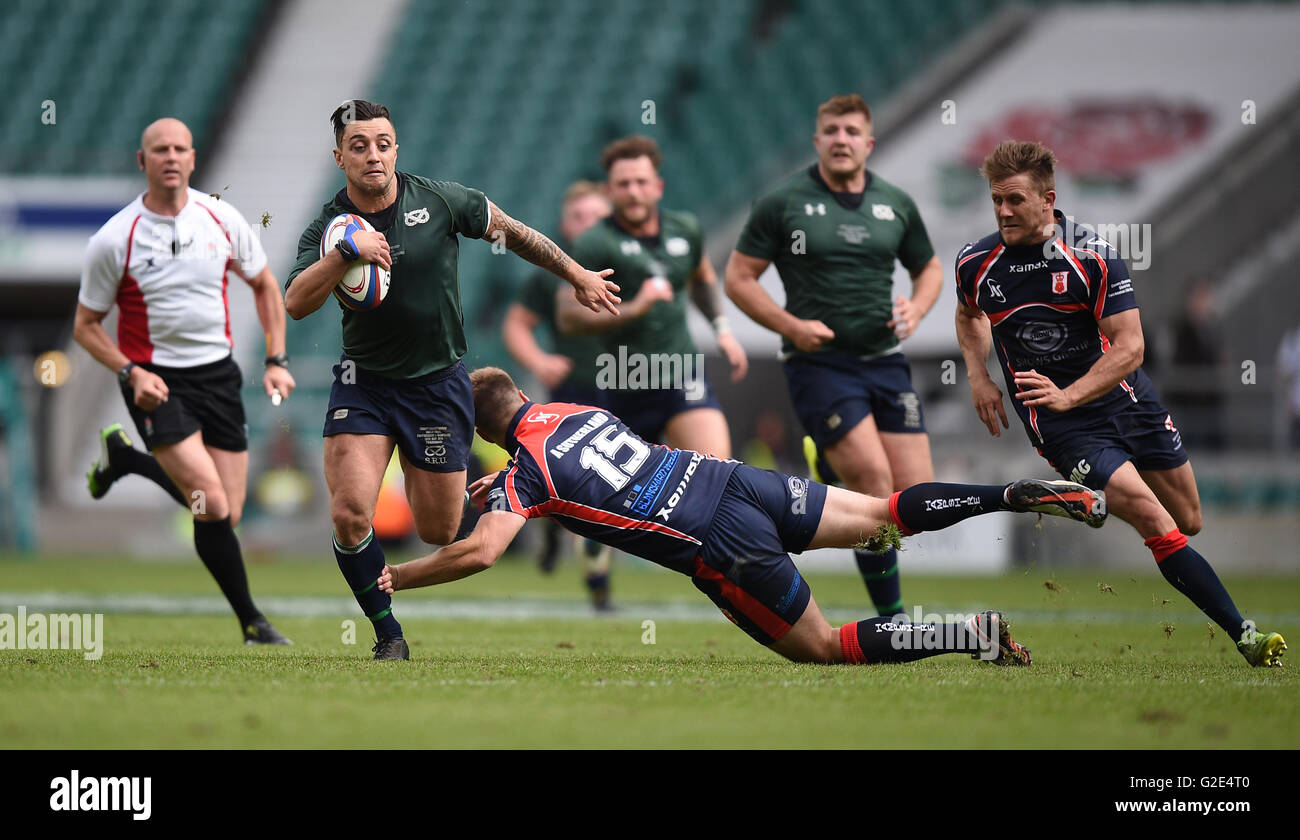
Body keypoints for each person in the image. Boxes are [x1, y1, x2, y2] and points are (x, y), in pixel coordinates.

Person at [376, 367, 1110, 667]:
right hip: (732, 482)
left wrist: (396, 579)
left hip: (718, 544)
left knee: (820, 647)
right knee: (887, 513)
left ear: (482, 427)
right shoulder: (574, 411)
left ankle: (970, 635)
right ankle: (1007, 493)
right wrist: (508, 481)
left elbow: (478, 555)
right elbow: (584, 470)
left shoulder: (525, 474)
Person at [283, 100, 619, 660]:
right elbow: (295, 302)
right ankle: (389, 634)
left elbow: (513, 233)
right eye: (360, 145)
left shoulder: (439, 200)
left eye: (383, 143)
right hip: (363, 384)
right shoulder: (329, 228)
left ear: (397, 149)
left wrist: (578, 273)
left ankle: (502, 490)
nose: (373, 155)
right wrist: (347, 253)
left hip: (437, 388)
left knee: (440, 530)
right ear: (339, 156)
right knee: (349, 513)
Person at [954, 139, 1285, 668]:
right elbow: (969, 315)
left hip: (1128, 402)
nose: (1003, 211)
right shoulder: (978, 262)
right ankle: (1246, 635)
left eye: (1015, 199)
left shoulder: (1093, 255)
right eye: (996, 199)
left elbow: (1131, 347)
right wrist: (978, 376)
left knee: (1189, 519)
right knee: (1157, 521)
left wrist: (1073, 391)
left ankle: (1085, 501)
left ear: (1048, 200)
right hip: (1062, 426)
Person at [74, 117, 294, 645]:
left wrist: (276, 358)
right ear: (142, 161)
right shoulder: (114, 239)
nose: (170, 157)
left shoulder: (221, 218)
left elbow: (265, 286)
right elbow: (84, 326)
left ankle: (125, 459)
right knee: (211, 505)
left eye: (179, 149)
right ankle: (252, 622)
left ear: (193, 159)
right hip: (156, 382)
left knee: (228, 512)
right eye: (159, 150)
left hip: (219, 377)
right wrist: (130, 371)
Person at [725, 94, 943, 620]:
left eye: (851, 131)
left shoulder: (895, 203)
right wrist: (791, 326)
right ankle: (892, 618)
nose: (841, 139)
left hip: (885, 361)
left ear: (869, 143)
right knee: (872, 481)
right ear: (817, 140)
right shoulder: (784, 202)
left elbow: (930, 269)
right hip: (819, 365)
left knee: (916, 498)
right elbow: (739, 278)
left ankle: (825, 463)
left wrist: (916, 308)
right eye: (831, 130)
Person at [557, 135, 748, 459]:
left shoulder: (685, 228)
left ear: (658, 187)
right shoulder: (594, 243)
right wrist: (634, 308)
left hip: (680, 371)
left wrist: (722, 330)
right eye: (624, 184)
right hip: (624, 379)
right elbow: (567, 316)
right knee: (637, 502)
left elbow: (701, 278)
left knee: (717, 468)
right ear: (609, 190)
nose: (633, 192)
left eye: (641, 182)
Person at [502, 180, 616, 607]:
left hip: (631, 386)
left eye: (597, 217)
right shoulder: (549, 278)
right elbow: (515, 325)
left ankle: (560, 533)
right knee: (592, 485)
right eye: (579, 217)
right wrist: (539, 361)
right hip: (574, 392)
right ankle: (597, 586)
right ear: (565, 227)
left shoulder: (633, 266)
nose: (588, 225)